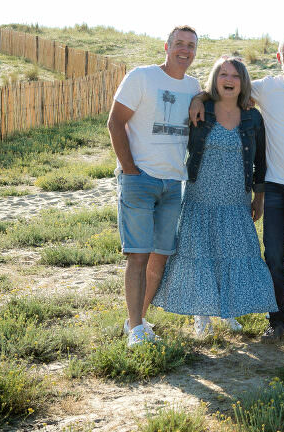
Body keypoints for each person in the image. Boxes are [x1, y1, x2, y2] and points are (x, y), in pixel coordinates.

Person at [190, 34, 284, 343]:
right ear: (278, 57)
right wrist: (197, 99)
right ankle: (276, 319)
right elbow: (225, 87)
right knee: (272, 256)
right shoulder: (265, 87)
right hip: (274, 188)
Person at [152, 56, 277, 333]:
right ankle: (201, 315)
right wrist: (199, 97)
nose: (229, 80)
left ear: (243, 82)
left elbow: (261, 162)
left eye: (235, 76)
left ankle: (228, 309)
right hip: (200, 194)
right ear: (214, 79)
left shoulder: (252, 117)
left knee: (233, 251)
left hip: (236, 198)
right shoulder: (202, 110)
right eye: (223, 74)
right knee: (200, 252)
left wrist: (259, 197)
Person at [107, 26, 201, 347]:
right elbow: (115, 121)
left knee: (160, 257)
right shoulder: (142, 77)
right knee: (138, 255)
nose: (184, 50)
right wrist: (131, 171)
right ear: (167, 46)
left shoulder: (193, 86)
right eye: (179, 44)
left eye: (191, 45)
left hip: (173, 184)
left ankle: (137, 320)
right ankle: (135, 331)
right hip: (140, 180)